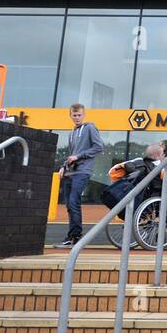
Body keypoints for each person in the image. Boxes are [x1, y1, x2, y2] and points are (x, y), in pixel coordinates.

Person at [59, 103, 103, 247]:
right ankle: (72, 236)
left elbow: (99, 147)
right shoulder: (71, 133)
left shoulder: (89, 127)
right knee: (69, 205)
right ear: (70, 115)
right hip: (69, 172)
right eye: (74, 115)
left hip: (82, 171)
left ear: (83, 115)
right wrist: (63, 167)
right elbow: (70, 155)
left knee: (73, 202)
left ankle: (76, 236)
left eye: (79, 115)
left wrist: (79, 156)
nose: (77, 118)